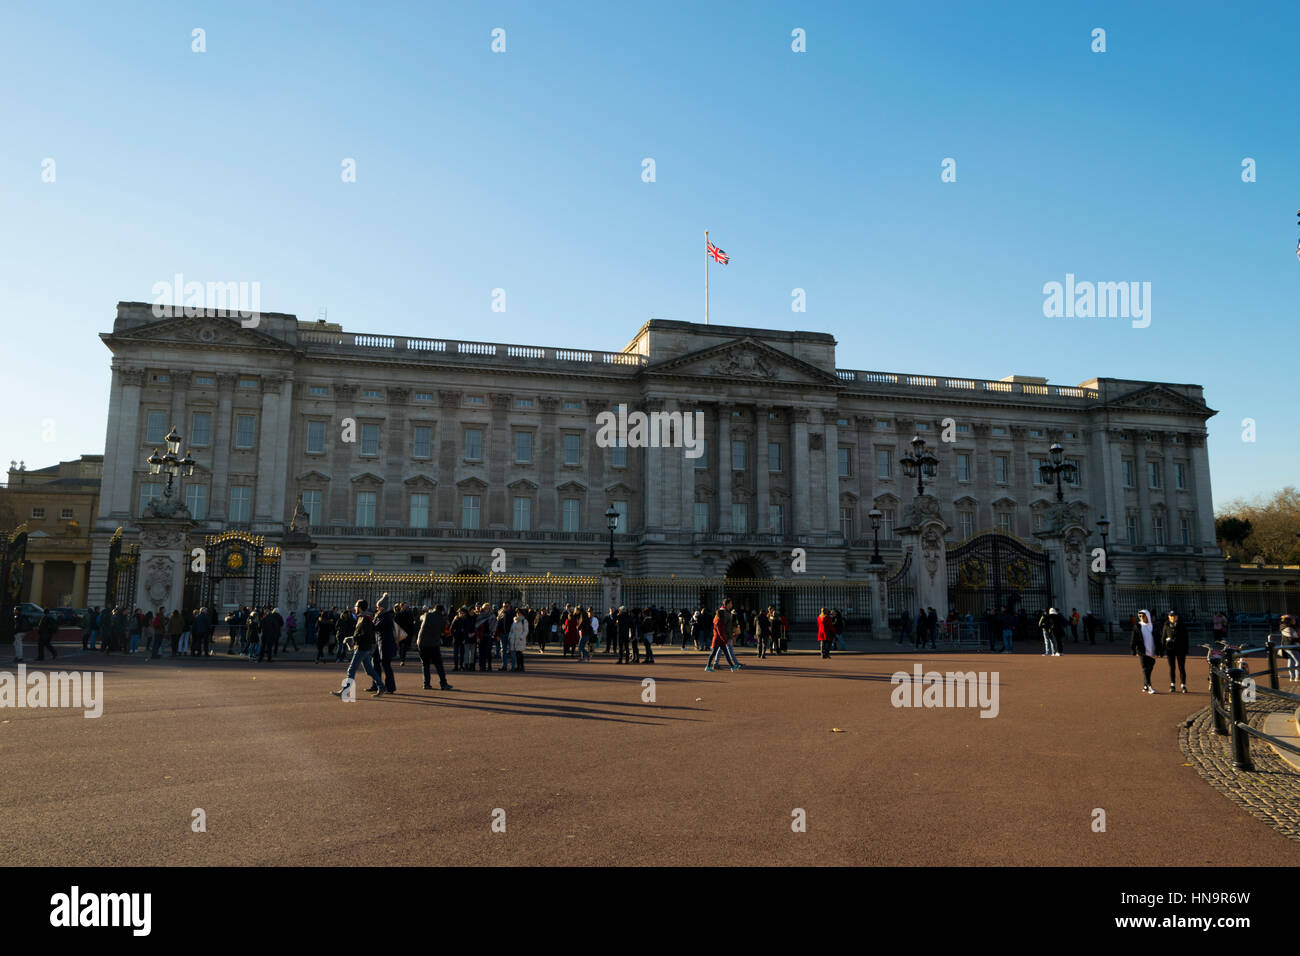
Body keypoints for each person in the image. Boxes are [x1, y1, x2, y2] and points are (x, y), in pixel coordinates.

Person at [331, 599, 385, 697]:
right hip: (363, 647)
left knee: (351, 670)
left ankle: (345, 690)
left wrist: (352, 638)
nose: (354, 608)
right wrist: (353, 638)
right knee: (369, 670)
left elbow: (365, 635)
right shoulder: (362, 618)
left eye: (356, 606)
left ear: (359, 608)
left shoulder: (365, 619)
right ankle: (381, 687)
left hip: (362, 648)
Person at [416, 603, 454, 690]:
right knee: (439, 665)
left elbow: (421, 617)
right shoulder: (442, 619)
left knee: (425, 664)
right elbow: (442, 632)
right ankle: (443, 683)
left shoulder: (427, 615)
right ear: (442, 611)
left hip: (422, 643)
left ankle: (426, 684)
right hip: (433, 644)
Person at [706, 599, 740, 672]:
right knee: (713, 654)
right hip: (718, 640)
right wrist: (725, 640)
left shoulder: (719, 621)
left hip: (720, 640)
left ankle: (732, 666)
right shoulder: (719, 622)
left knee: (725, 653)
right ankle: (708, 666)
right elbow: (720, 633)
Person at [374, 593, 398, 692]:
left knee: (386, 666)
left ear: (382, 607)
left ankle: (390, 687)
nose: (377, 608)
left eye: (378, 606)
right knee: (375, 664)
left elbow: (375, 627)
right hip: (379, 643)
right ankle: (376, 685)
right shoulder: (381, 615)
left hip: (385, 644)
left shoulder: (385, 616)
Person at [1161, 608, 1189, 694]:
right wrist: (1162, 649)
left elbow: (1186, 638)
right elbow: (1163, 637)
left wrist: (1186, 649)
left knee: (1181, 668)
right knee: (1172, 668)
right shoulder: (1166, 625)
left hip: (1180, 649)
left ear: (1177, 617)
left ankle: (1183, 685)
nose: (1172, 618)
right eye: (1171, 616)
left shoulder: (1182, 625)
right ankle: (1172, 684)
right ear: (1169, 617)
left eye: (1174, 616)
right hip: (1170, 650)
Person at [1131, 609, 1158, 694]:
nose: (1141, 618)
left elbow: (1158, 638)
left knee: (1149, 669)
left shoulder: (1153, 626)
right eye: (1140, 616)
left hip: (1152, 651)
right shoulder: (1137, 626)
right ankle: (1150, 686)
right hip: (1142, 651)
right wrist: (1133, 650)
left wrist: (1160, 650)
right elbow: (1133, 639)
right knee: (1145, 669)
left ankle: (1145, 686)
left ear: (1147, 616)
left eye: (1143, 616)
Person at [1279, 614, 1299, 682]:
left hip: (1288, 646)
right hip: (1291, 646)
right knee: (1298, 661)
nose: (1294, 620)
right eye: (1293, 619)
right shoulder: (1288, 627)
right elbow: (1295, 637)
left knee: (1291, 661)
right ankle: (1297, 677)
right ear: (1289, 621)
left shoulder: (1286, 626)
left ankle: (1292, 677)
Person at [508, 608, 529, 672]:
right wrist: (510, 636)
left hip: (520, 639)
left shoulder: (524, 621)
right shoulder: (514, 621)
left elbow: (526, 631)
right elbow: (511, 630)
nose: (517, 614)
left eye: (519, 612)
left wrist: (521, 637)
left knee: (519, 654)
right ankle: (518, 666)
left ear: (522, 613)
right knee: (516, 654)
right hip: (514, 639)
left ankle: (521, 667)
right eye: (517, 613)